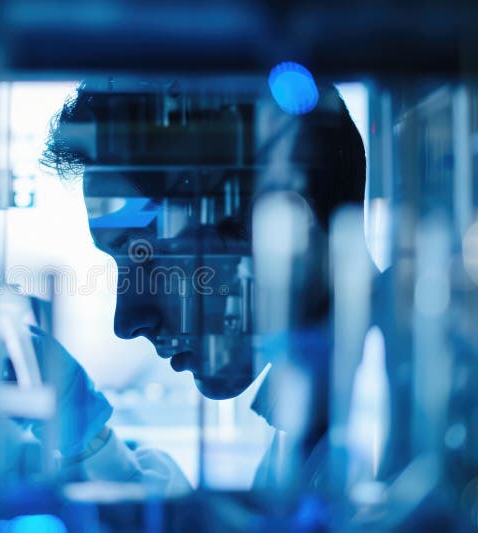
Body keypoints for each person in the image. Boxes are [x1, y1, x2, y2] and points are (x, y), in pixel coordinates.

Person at [29, 77, 366, 493]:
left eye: (144, 255)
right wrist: (93, 445)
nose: (127, 321)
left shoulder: (376, 438)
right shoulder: (328, 414)